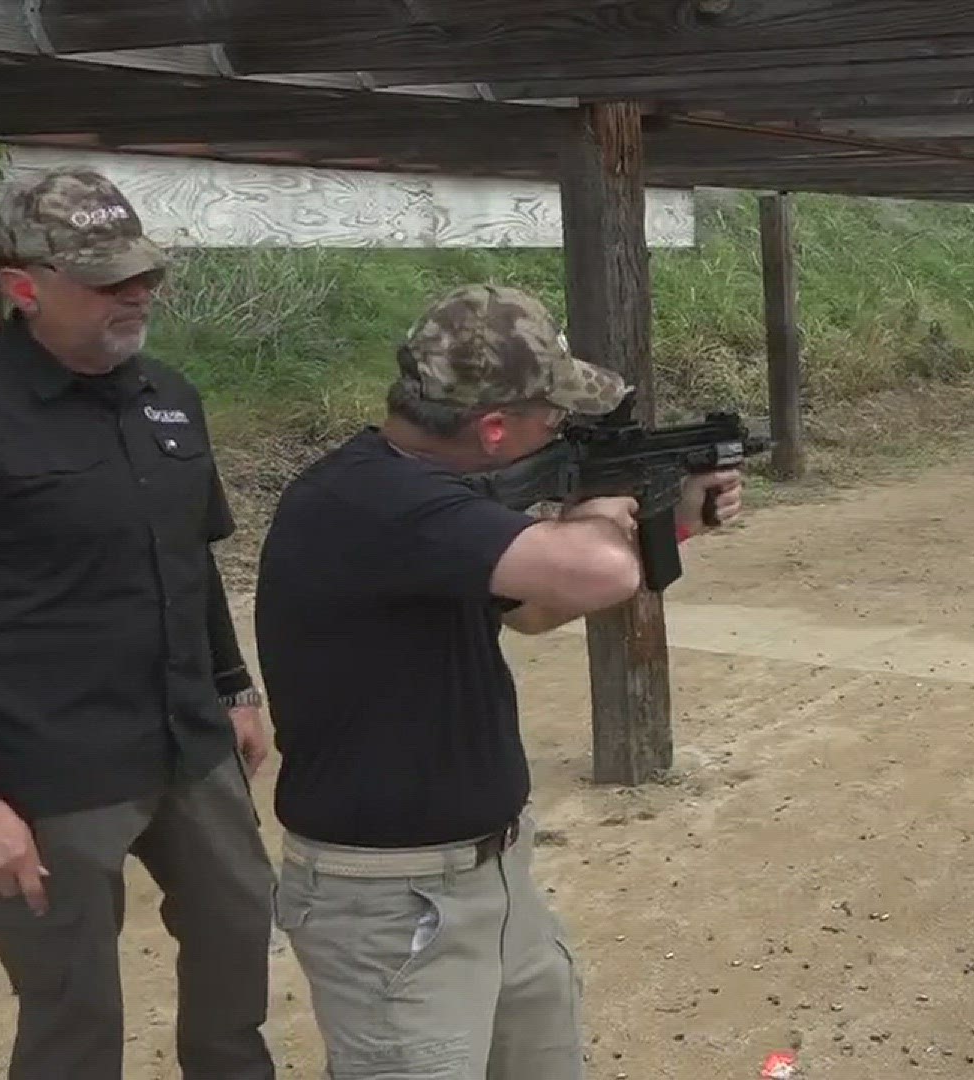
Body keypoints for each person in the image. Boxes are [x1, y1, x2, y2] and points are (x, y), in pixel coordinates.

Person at [252, 283, 744, 1078]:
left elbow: (534, 612)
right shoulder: (370, 500)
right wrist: (599, 508)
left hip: (492, 876)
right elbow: (593, 573)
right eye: (549, 417)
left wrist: (676, 516)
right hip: (393, 905)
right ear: (491, 429)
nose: (559, 428)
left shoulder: (430, 502)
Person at [0, 169, 276, 1078]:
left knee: (239, 935)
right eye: (107, 279)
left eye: (143, 273)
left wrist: (235, 689)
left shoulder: (169, 394)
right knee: (74, 1009)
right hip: (48, 771)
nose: (137, 293)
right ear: (21, 284)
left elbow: (191, 561)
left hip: (189, 742)